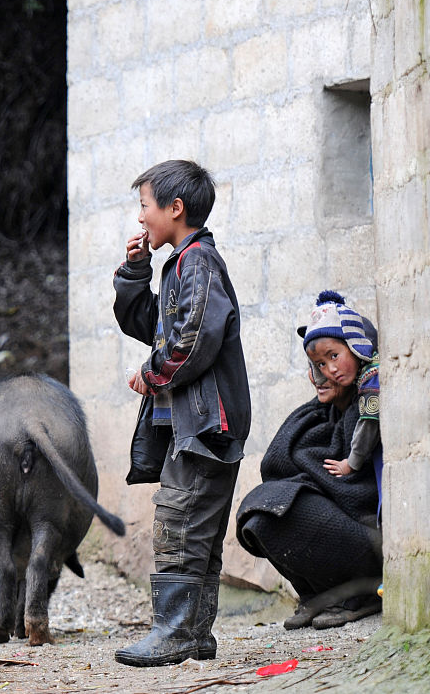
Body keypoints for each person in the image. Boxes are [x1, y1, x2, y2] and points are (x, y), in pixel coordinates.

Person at [111, 159, 250, 667]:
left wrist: (151, 374)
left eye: (145, 206)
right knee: (199, 529)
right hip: (193, 423)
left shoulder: (199, 263)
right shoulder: (180, 264)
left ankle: (173, 632)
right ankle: (194, 634)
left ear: (175, 208)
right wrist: (133, 273)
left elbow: (193, 340)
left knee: (179, 520)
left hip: (207, 423)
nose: (141, 217)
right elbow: (153, 324)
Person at [236, 295, 382, 630]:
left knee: (276, 508)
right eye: (317, 364)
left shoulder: (367, 407)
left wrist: (309, 481)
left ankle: (362, 595)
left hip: (370, 540)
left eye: (334, 356)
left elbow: (355, 491)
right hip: (349, 530)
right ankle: (319, 595)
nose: (325, 371)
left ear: (358, 352)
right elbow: (277, 463)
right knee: (259, 515)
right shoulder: (327, 411)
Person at [301, 291, 381, 486]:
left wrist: (351, 464)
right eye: (321, 364)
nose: (331, 370)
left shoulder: (372, 379)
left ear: (355, 345)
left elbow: (369, 424)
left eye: (334, 356)